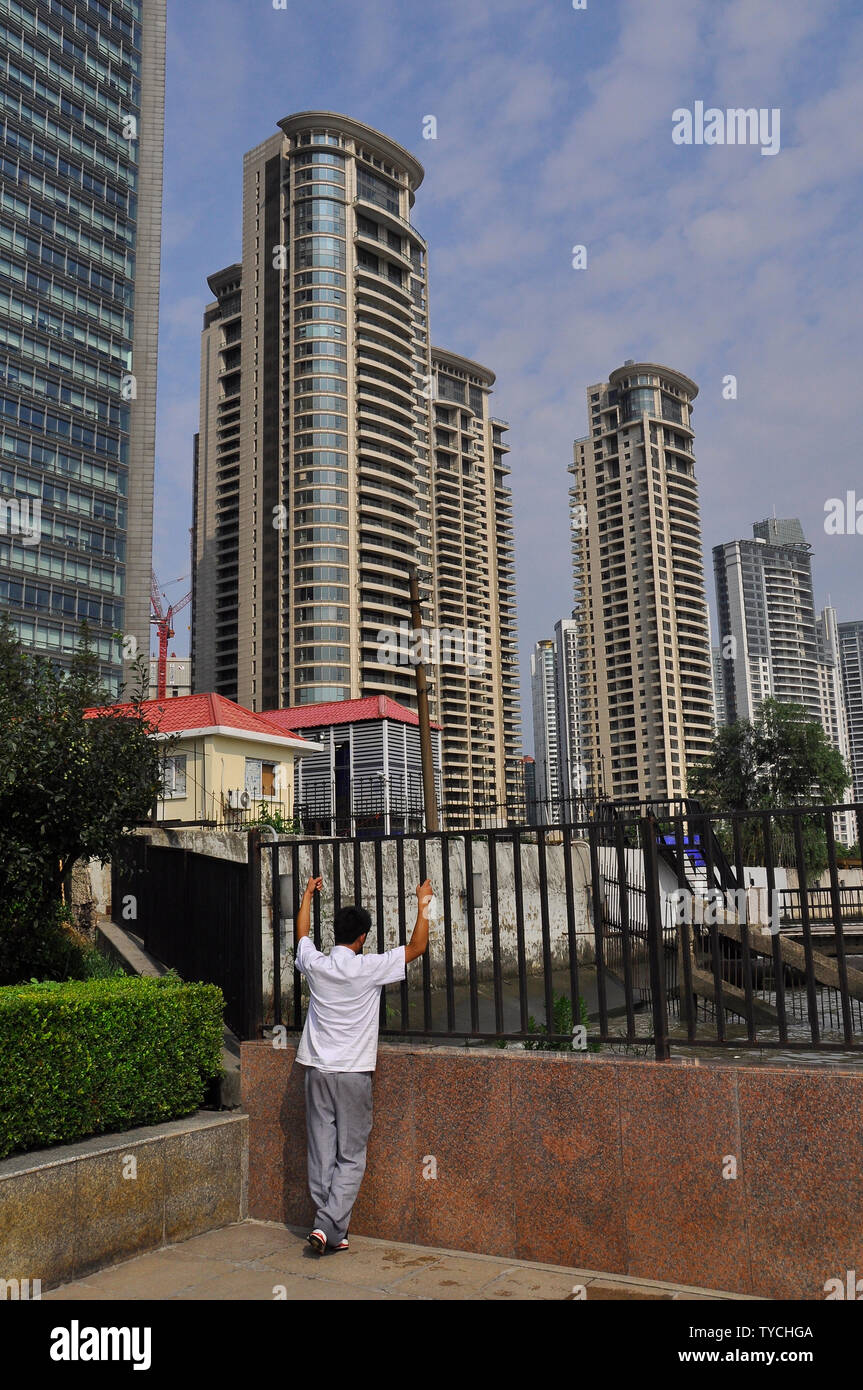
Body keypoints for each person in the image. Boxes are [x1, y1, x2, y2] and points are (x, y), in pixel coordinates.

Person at [293, 874, 432, 1254]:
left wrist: (306, 894)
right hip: (352, 1073)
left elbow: (301, 936)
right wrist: (424, 902)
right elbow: (417, 946)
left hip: (316, 1068)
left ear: (336, 934)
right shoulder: (368, 967)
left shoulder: (317, 965)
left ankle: (331, 1231)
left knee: (321, 1150)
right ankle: (327, 1226)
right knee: (351, 1155)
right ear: (362, 939)